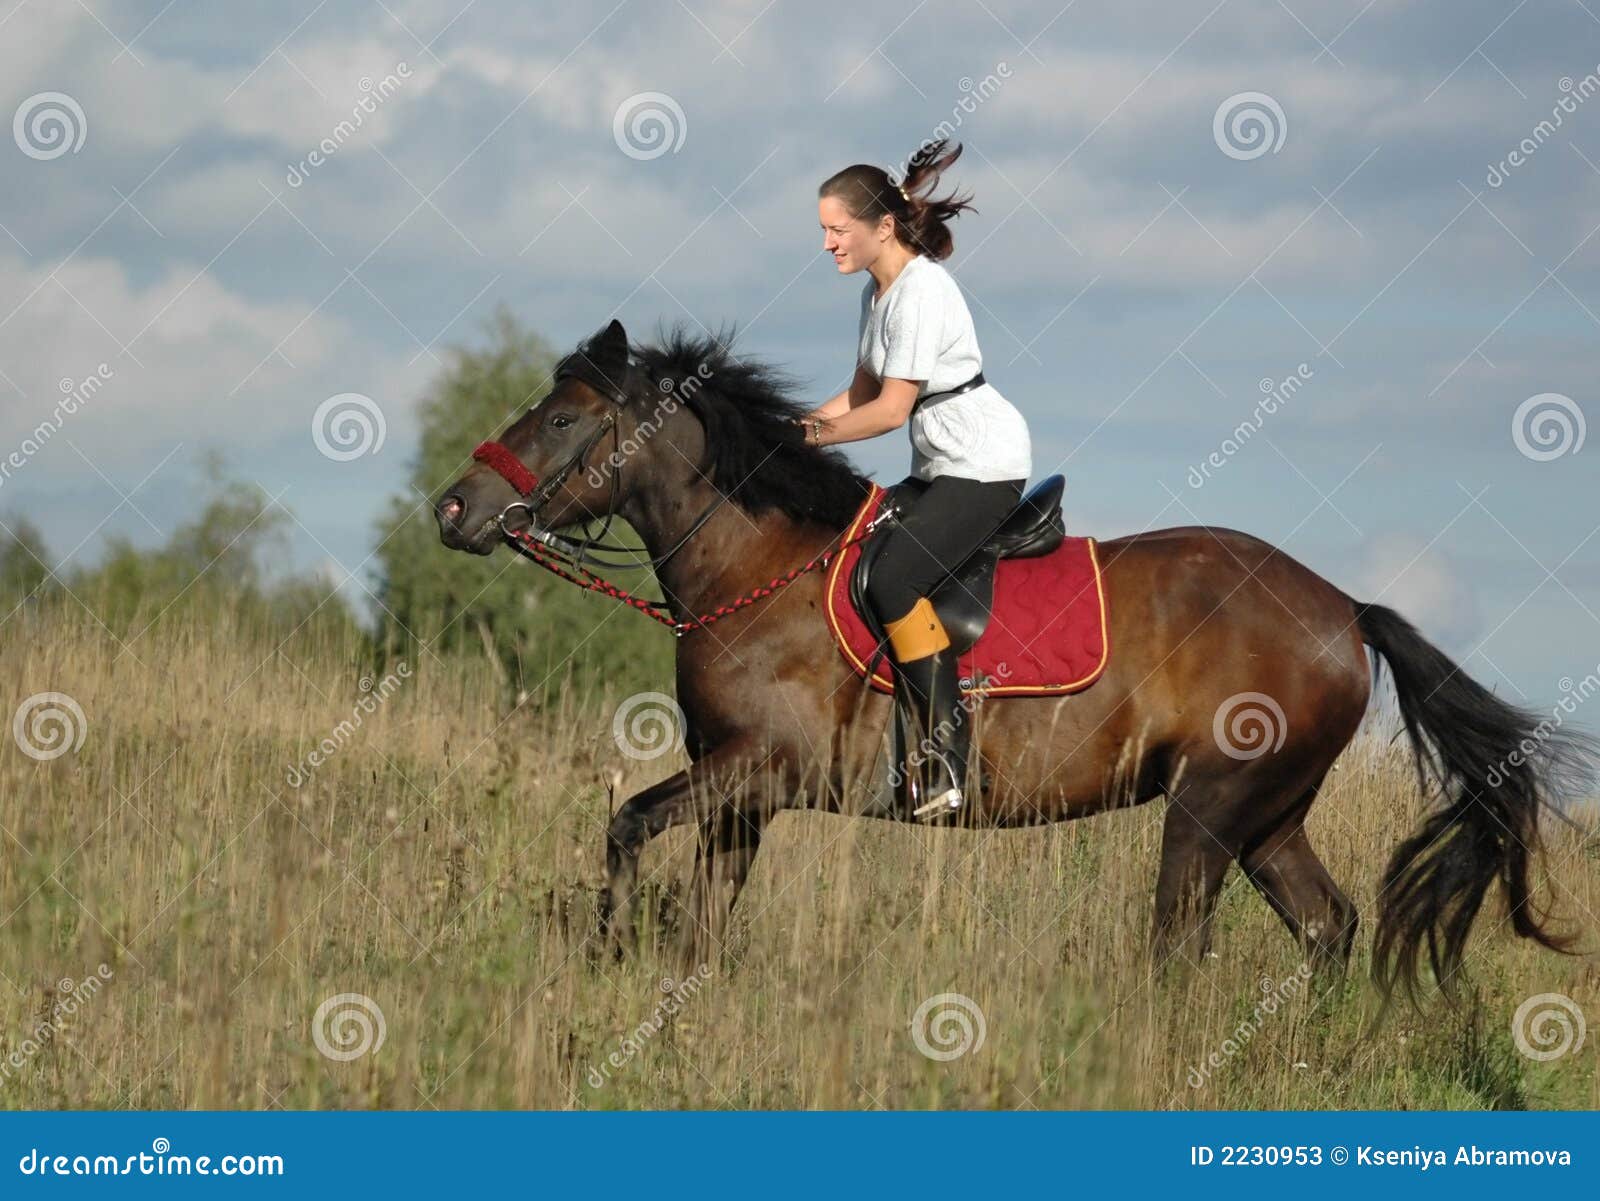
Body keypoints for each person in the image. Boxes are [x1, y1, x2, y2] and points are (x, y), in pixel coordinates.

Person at [797, 139, 1033, 820]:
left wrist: (810, 439)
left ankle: (944, 754)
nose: (828, 243)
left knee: (894, 577)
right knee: (856, 553)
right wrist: (786, 432)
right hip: (937, 467)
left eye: (838, 230)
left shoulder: (923, 290)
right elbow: (858, 391)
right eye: (823, 230)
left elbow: (891, 411)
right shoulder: (878, 296)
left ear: (882, 227)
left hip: (983, 464)